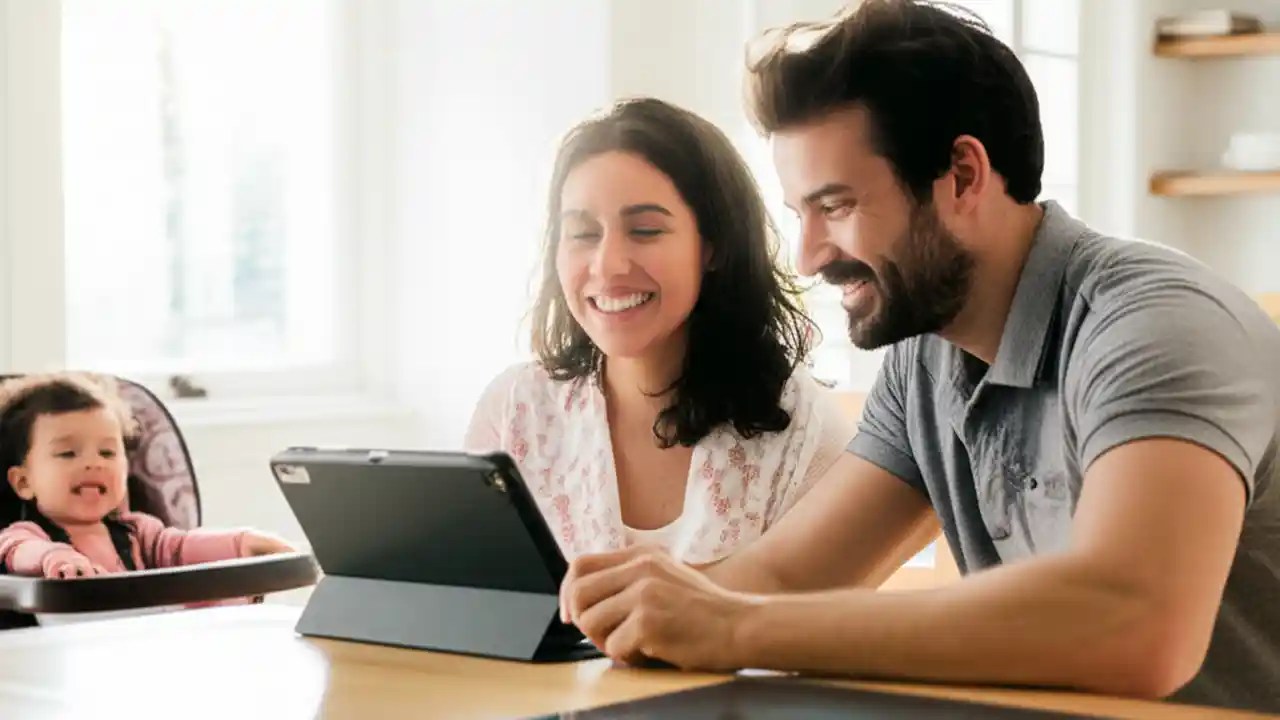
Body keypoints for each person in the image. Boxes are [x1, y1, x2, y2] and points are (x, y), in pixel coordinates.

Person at [558, 1, 1280, 713]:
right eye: (799, 215)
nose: (808, 256)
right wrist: (643, 605)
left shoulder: (1154, 325)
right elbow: (782, 575)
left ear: (963, 176)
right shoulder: (926, 360)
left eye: (835, 207)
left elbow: (1140, 624)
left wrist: (732, 626)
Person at [464, 98, 887, 566]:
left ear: (715, 247)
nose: (608, 265)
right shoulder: (514, 411)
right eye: (583, 234)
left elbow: (812, 627)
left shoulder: (806, 435)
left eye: (644, 230)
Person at [0, 372, 295, 579]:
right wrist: (55, 559)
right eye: (68, 454)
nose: (94, 464)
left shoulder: (138, 533)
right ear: (24, 482)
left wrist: (244, 543)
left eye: (107, 453)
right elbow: (19, 552)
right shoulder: (26, 535)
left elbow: (181, 548)